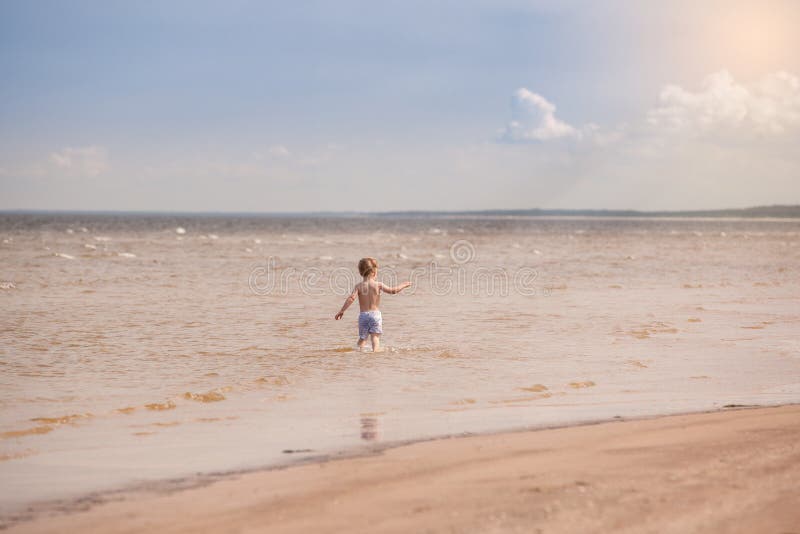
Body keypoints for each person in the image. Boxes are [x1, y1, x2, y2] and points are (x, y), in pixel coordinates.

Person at [334, 257, 411, 352]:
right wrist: (403, 285)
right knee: (375, 337)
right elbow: (393, 291)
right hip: (375, 315)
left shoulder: (358, 286)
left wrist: (342, 311)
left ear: (360, 272)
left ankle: (358, 352)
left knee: (363, 338)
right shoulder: (378, 285)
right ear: (374, 272)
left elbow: (351, 298)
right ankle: (375, 352)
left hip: (363, 316)